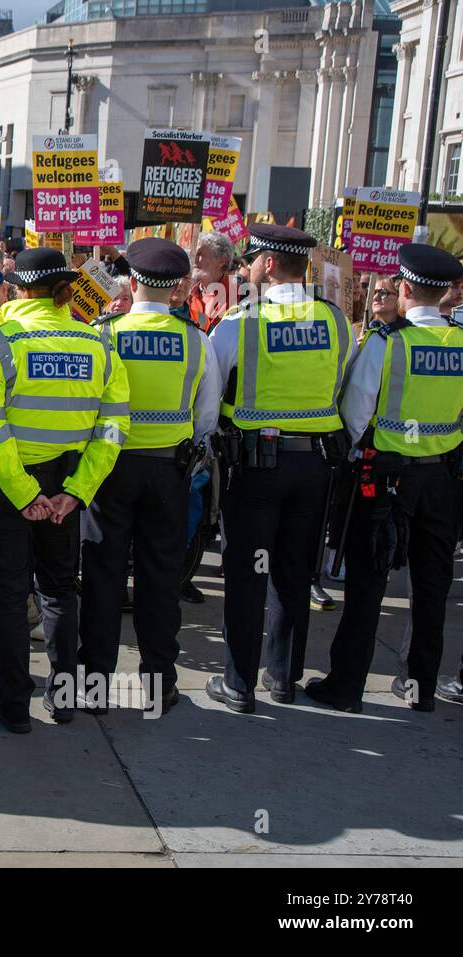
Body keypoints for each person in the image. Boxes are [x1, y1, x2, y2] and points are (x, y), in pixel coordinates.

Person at [0, 247, 130, 730]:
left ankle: (14, 706)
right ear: (65, 290)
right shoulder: (98, 345)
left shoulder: (0, 344)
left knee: (10, 591)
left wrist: (23, 493)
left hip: (12, 488)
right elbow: (114, 427)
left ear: (19, 288)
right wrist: (76, 492)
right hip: (66, 484)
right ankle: (63, 699)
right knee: (60, 590)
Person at [305, 245, 463, 714]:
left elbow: (356, 414)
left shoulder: (386, 342)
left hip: (386, 480)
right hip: (444, 481)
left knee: (368, 584)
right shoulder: (459, 343)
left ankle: (347, 686)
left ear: (406, 289)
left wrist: (354, 457)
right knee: (432, 586)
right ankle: (420, 689)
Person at [205, 224, 355, 714]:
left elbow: (209, 395)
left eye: (253, 260)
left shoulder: (240, 321)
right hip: (316, 465)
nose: (246, 267)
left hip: (255, 470)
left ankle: (238, 684)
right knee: (293, 572)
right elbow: (345, 394)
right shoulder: (335, 320)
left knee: (249, 573)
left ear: (269, 264)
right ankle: (283, 678)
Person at [80, 239, 221, 716]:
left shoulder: (105, 333)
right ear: (177, 287)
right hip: (169, 472)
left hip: (109, 470)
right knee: (161, 580)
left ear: (133, 282)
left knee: (103, 577)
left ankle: (94, 687)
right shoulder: (196, 338)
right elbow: (207, 416)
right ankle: (159, 685)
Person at [187, 231, 235, 334]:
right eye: (194, 254)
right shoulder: (187, 294)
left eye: (200, 254)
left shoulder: (240, 296)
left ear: (222, 261)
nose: (194, 260)